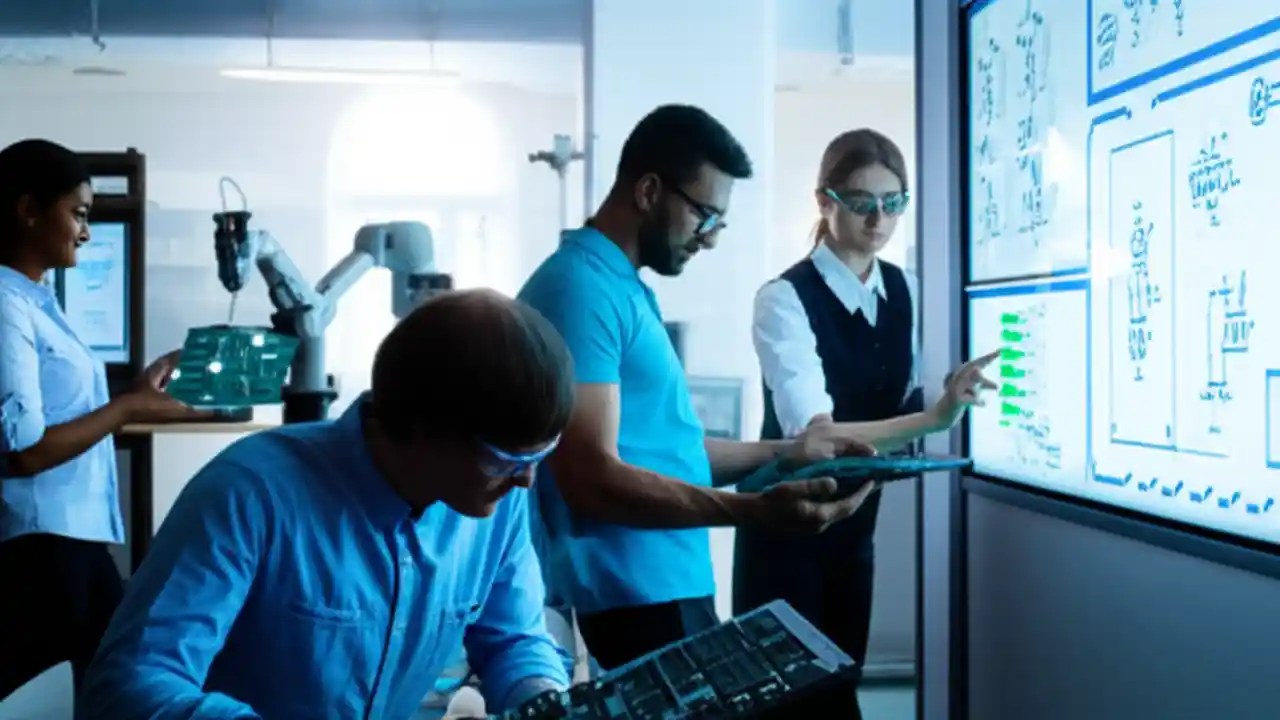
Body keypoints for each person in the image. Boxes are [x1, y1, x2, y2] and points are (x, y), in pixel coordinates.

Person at [79, 289, 575, 720]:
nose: (527, 480)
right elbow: (131, 688)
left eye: (541, 455)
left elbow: (515, 640)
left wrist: (543, 696)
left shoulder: (491, 504)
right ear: (425, 429)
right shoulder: (250, 494)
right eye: (508, 458)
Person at [517, 104, 880, 673]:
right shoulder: (580, 290)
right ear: (648, 191)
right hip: (638, 597)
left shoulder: (622, 287)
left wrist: (787, 455)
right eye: (704, 216)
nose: (709, 240)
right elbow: (592, 478)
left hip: (664, 589)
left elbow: (667, 453)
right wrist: (754, 512)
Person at [734, 128, 996, 717]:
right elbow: (818, 437)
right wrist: (934, 417)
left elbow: (926, 393)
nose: (879, 219)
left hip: (855, 530)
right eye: (860, 202)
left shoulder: (908, 293)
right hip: (785, 531)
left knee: (839, 690)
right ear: (824, 202)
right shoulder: (783, 299)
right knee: (786, 705)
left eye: (893, 202)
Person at [0, 139, 212, 699]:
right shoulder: (4, 303)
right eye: (79, 214)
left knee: (122, 688)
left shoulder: (36, 298)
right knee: (117, 690)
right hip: (43, 550)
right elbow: (24, 451)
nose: (86, 232)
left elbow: (65, 408)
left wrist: (136, 391)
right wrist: (126, 408)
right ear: (28, 210)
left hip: (76, 545)